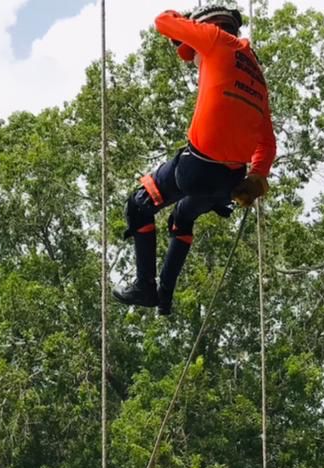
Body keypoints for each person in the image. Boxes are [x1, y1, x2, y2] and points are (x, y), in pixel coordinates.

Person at [114, 3, 276, 315]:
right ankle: (165, 296)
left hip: (198, 167)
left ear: (208, 29)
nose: (196, 61)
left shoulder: (215, 39)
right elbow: (267, 143)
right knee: (183, 217)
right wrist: (256, 177)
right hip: (229, 180)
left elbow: (162, 22)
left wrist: (185, 23)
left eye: (194, 52)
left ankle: (145, 286)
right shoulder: (257, 77)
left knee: (140, 203)